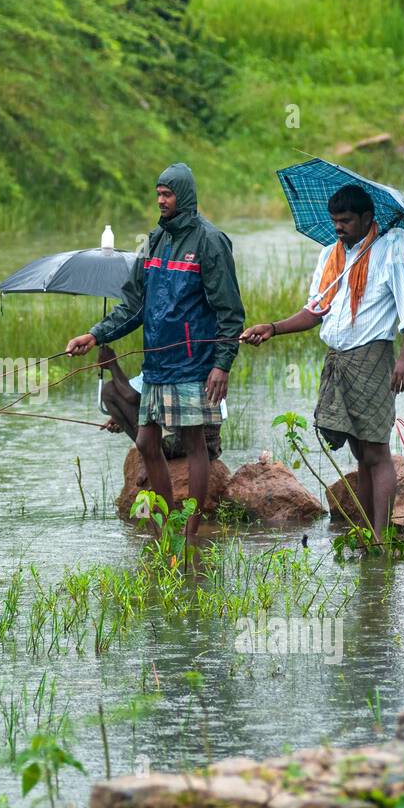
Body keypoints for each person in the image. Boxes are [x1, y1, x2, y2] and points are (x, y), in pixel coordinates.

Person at [67, 162, 244, 542]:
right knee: (147, 442)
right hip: (158, 363)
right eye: (158, 194)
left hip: (194, 362)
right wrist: (94, 336)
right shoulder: (153, 241)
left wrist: (222, 364)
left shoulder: (210, 242)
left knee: (195, 443)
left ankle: (192, 530)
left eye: (167, 194)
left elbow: (230, 311)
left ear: (185, 196)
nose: (161, 201)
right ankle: (164, 528)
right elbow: (134, 306)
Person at [241, 183, 404, 542]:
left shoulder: (391, 250)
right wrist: (273, 329)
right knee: (358, 449)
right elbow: (315, 312)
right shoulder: (331, 256)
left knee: (376, 449)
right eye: (335, 221)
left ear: (367, 218)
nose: (338, 227)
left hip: (373, 357)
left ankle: (380, 537)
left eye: (346, 221)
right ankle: (370, 529)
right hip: (338, 360)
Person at [96, 343, 221, 461]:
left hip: (186, 445)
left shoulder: (163, 355)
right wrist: (122, 416)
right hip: (212, 443)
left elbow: (132, 396)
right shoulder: (196, 352)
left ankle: (153, 459)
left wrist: (112, 363)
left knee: (109, 391)